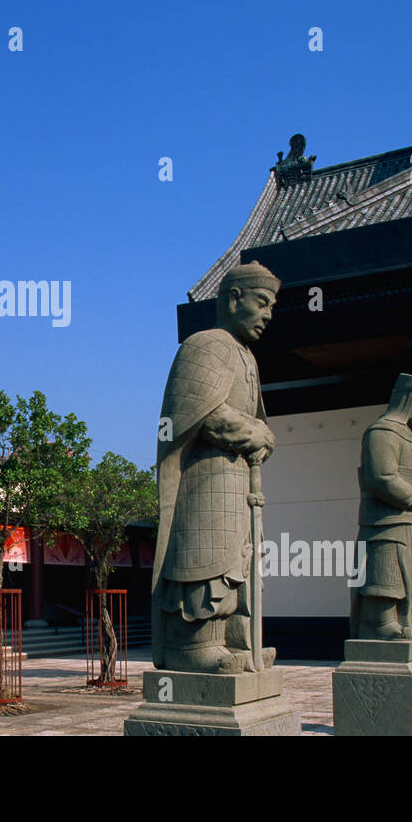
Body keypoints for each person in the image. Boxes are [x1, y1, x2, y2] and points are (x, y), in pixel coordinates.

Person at [152, 261, 279, 674]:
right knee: (208, 563)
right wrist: (253, 433)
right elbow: (203, 415)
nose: (267, 315)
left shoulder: (249, 358)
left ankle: (238, 641)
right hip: (206, 480)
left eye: (272, 307)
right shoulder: (206, 344)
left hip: (240, 481)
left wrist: (264, 435)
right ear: (233, 297)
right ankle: (193, 647)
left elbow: (257, 419)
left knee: (240, 565)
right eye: (262, 303)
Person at [351, 374, 412, 640]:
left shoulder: (410, 437)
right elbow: (381, 477)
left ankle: (402, 620)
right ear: (409, 398)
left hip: (409, 521)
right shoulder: (383, 432)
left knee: (406, 576)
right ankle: (380, 623)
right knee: (384, 573)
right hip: (384, 522)